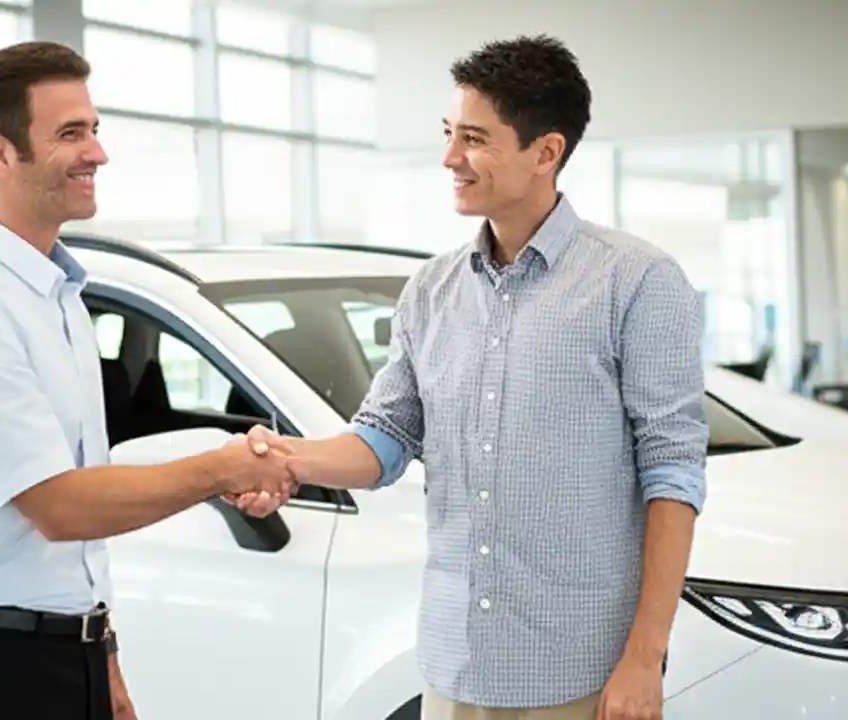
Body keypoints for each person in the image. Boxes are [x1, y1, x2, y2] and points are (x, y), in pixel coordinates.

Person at [232, 35, 707, 720]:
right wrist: (285, 460)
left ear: (546, 152)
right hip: (453, 667)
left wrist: (644, 656)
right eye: (450, 134)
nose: (451, 157)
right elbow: (385, 439)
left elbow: (673, 474)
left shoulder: (636, 281)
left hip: (582, 674)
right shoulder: (431, 290)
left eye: (475, 139)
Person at [0, 41, 295, 720]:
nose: (97, 154)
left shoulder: (60, 298)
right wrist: (223, 468)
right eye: (71, 133)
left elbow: (73, 533)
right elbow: (62, 507)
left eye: (94, 130)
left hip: (62, 657)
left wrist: (100, 649)